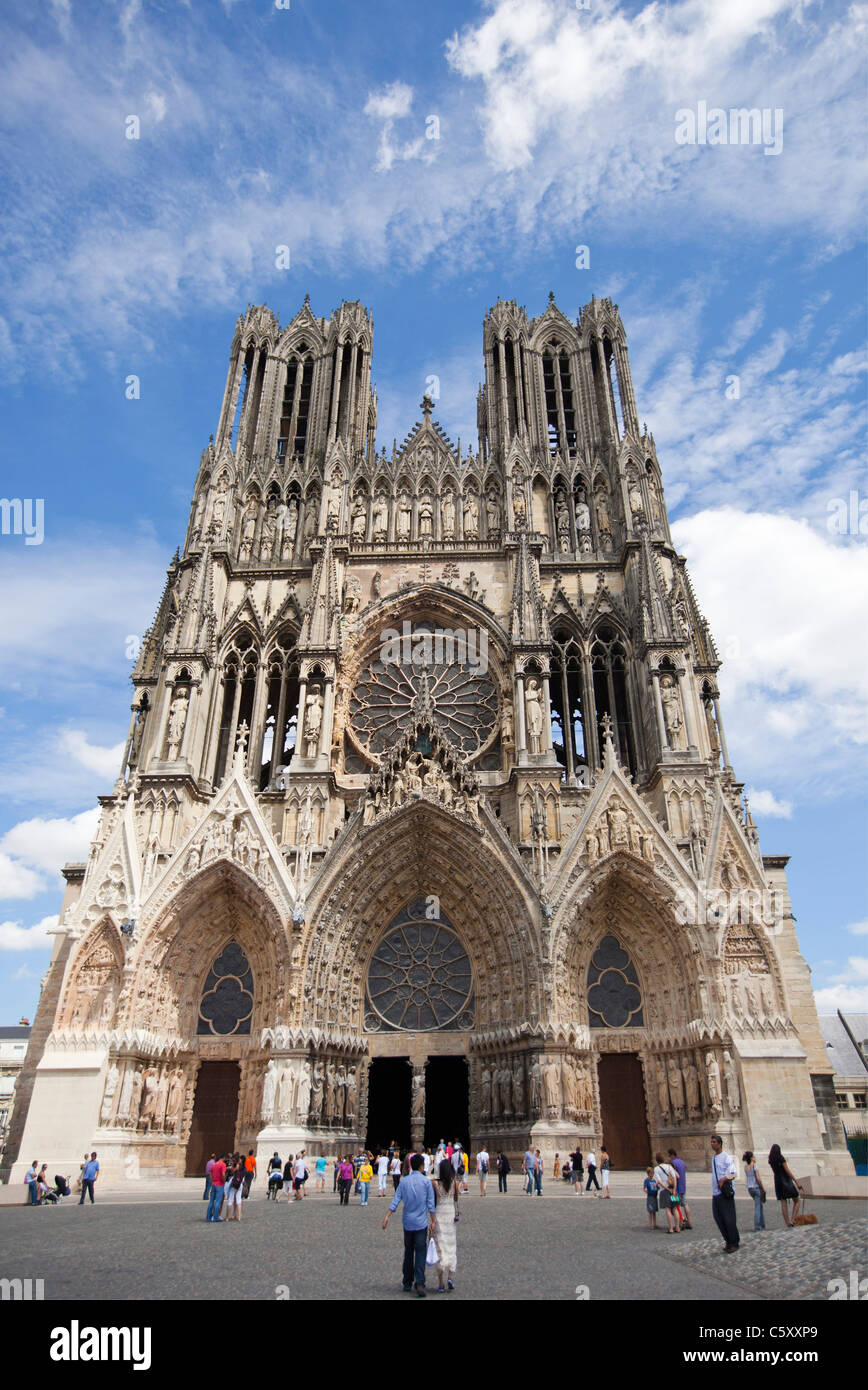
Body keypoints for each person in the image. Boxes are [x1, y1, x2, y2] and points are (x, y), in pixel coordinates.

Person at [383, 1152, 436, 1297]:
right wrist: (434, 1222)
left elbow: (396, 1200)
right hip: (421, 1224)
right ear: (421, 1166)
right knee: (420, 1252)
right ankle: (419, 1282)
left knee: (408, 1252)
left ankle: (407, 1281)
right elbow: (431, 1205)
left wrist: (387, 1216)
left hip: (408, 1223)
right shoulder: (426, 1182)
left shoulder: (404, 1181)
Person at [431, 1157, 459, 1292]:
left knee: (440, 1248)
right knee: (451, 1246)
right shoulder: (455, 1183)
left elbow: (431, 1201)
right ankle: (451, 1277)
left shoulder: (435, 1184)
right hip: (450, 1215)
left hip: (439, 1215)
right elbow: (456, 1198)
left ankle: (441, 1284)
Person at [710, 1134, 739, 1252]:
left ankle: (734, 1243)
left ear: (720, 1143)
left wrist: (723, 1179)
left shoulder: (726, 1157)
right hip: (716, 1192)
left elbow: (733, 1173)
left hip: (725, 1192)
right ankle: (728, 1240)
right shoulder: (713, 1158)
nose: (712, 1144)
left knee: (729, 1218)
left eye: (714, 1142)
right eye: (711, 1142)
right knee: (718, 1218)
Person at [768, 1144, 804, 1227]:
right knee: (797, 1200)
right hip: (785, 1180)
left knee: (783, 1202)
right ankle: (793, 1219)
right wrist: (796, 1182)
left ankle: (787, 1222)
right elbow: (787, 1170)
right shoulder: (781, 1158)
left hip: (777, 1181)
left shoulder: (771, 1160)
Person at [653, 1152, 681, 1234]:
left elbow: (659, 1182)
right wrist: (675, 1190)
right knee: (675, 1208)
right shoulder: (669, 1167)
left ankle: (671, 1228)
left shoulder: (656, 1169)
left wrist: (668, 1190)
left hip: (665, 1191)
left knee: (668, 1209)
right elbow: (675, 1178)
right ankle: (678, 1227)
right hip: (673, 1190)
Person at [667, 1147, 692, 1228]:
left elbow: (673, 1176)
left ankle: (680, 1223)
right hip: (683, 1187)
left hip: (676, 1189)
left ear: (672, 1155)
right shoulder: (682, 1162)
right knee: (685, 1204)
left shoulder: (673, 1163)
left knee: (676, 1206)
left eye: (669, 1156)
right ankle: (689, 1221)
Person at [742, 1150, 766, 1231]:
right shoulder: (755, 1166)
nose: (755, 1158)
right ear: (751, 1158)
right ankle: (757, 1226)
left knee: (759, 1205)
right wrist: (762, 1188)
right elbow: (758, 1179)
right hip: (756, 1187)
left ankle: (762, 1224)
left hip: (750, 1188)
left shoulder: (745, 1167)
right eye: (754, 1157)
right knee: (758, 1207)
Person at [206, 1154, 227, 1221]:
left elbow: (210, 1173)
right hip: (219, 1184)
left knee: (211, 1201)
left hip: (214, 1184)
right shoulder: (222, 1164)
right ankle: (216, 1217)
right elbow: (223, 1174)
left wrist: (212, 1180)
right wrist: (224, 1181)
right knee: (218, 1201)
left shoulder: (214, 1164)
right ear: (223, 1158)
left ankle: (208, 1217)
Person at [226, 1156, 245, 1221]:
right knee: (238, 1200)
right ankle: (239, 1217)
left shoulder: (235, 1166)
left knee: (230, 1200)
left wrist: (232, 1169)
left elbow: (232, 1172)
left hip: (234, 1184)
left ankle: (227, 1217)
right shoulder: (243, 1167)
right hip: (240, 1183)